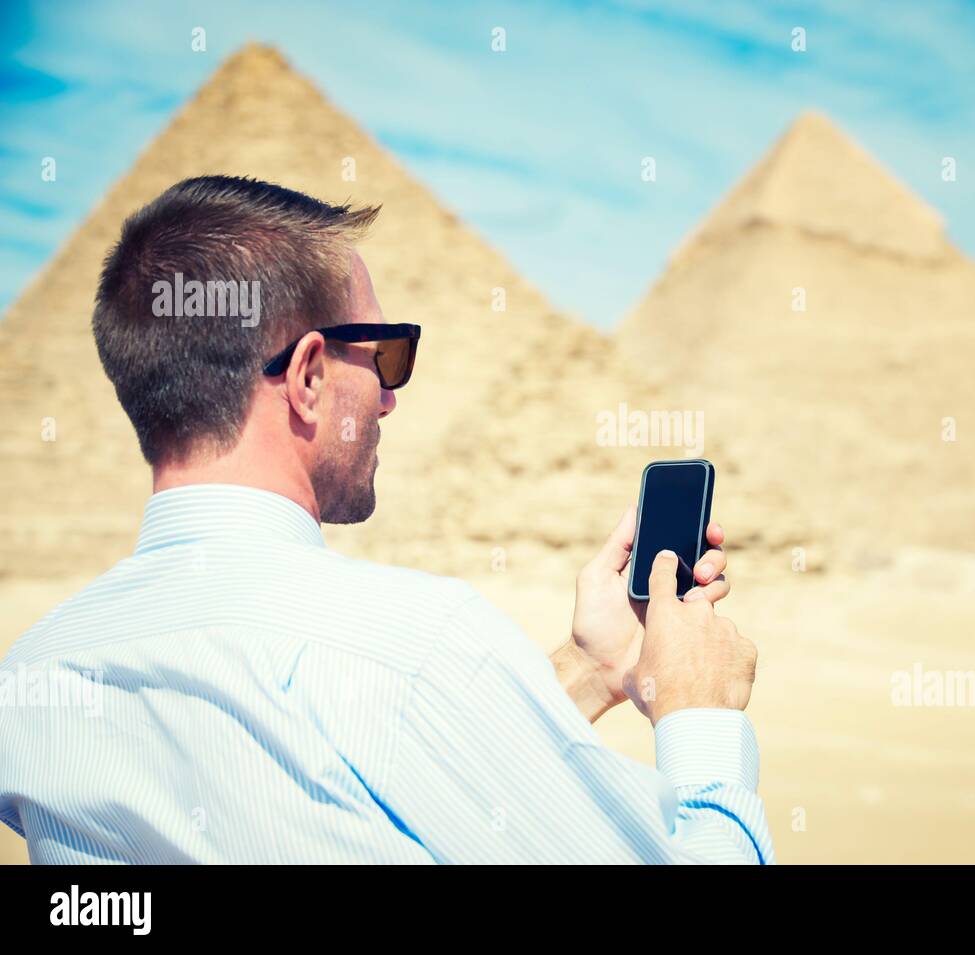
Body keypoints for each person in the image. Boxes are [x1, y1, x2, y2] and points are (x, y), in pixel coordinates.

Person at [0, 176, 772, 864]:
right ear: (307, 376)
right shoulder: (416, 646)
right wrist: (697, 709)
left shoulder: (36, 676)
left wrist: (589, 666)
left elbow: (342, 779)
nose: (392, 394)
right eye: (388, 354)